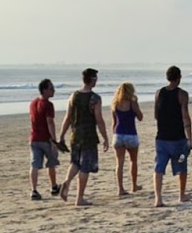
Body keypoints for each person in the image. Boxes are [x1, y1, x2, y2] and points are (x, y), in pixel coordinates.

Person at [58, 69, 109, 206]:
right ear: (92, 80)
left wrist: (62, 135)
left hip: (75, 135)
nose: (97, 81)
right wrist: (105, 137)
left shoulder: (73, 96)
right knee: (85, 167)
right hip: (89, 136)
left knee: (75, 162)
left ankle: (67, 181)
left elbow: (67, 118)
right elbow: (99, 119)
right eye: (96, 79)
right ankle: (79, 198)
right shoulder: (95, 98)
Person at [153, 66, 192, 207]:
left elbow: (156, 115)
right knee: (182, 165)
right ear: (179, 78)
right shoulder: (182, 94)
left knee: (159, 168)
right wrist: (190, 138)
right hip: (178, 138)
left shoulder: (159, 93)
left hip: (162, 137)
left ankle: (158, 198)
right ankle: (181, 195)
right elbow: (185, 117)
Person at [28, 78, 60, 200]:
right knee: (51, 163)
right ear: (44, 90)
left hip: (34, 137)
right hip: (45, 139)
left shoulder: (33, 103)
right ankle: (53, 186)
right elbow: (50, 122)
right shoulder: (48, 105)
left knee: (34, 164)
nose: (53, 90)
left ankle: (34, 190)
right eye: (51, 88)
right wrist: (54, 140)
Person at [111, 81, 144, 196]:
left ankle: (120, 188)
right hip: (130, 134)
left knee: (119, 163)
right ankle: (134, 186)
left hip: (118, 134)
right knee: (133, 160)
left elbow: (114, 123)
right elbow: (140, 117)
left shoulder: (115, 103)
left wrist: (113, 134)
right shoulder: (132, 102)